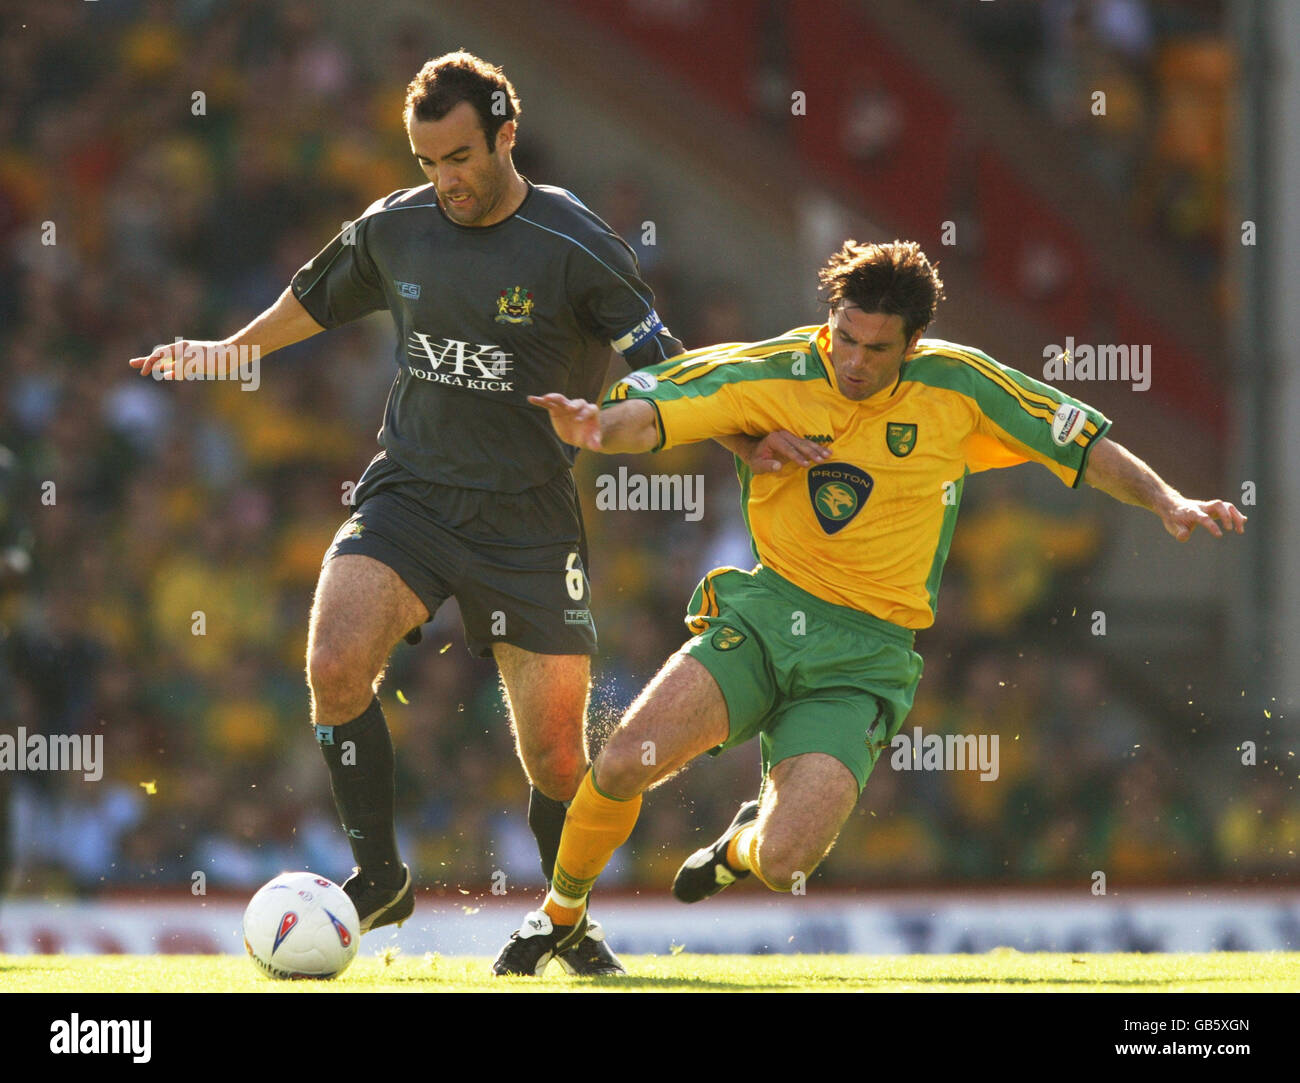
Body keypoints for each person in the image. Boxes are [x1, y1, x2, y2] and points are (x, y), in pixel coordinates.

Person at [129, 51, 808, 976]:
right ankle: (380, 876)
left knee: (559, 763)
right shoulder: (395, 228)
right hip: (412, 492)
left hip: (529, 520)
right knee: (333, 664)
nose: (443, 180)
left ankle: (567, 920)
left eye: (458, 157)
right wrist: (228, 350)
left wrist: (740, 437)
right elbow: (314, 299)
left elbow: (664, 363)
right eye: (426, 161)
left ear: (505, 136)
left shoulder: (577, 245)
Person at [491, 238, 1247, 974]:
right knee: (625, 760)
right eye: (844, 338)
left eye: (876, 349)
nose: (853, 360)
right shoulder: (775, 370)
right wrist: (596, 428)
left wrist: (1167, 499)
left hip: (866, 657)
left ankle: (740, 845)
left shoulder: (961, 386)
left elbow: (1076, 441)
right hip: (766, 612)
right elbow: (660, 407)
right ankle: (560, 915)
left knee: (785, 862)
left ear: (912, 344)